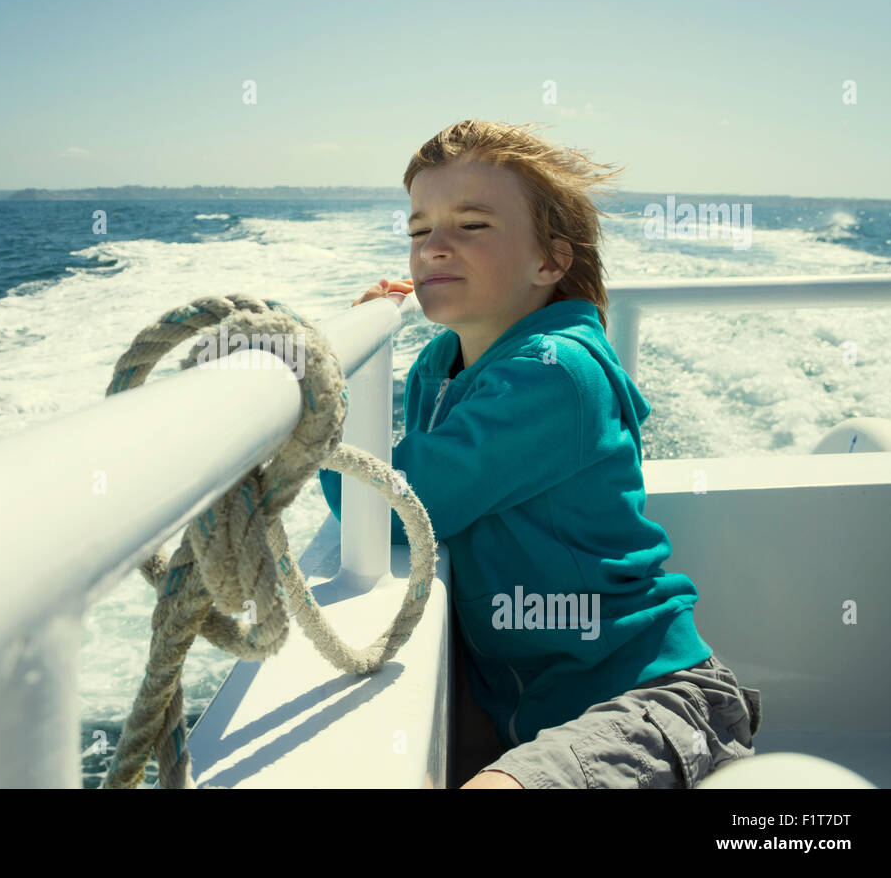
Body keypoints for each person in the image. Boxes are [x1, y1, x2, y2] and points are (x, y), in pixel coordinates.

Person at [319, 119, 761, 788]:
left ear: (551, 262)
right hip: (523, 705)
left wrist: (334, 393)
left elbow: (379, 507)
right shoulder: (442, 361)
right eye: (417, 229)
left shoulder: (551, 376)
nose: (433, 247)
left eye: (471, 226)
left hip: (647, 701)